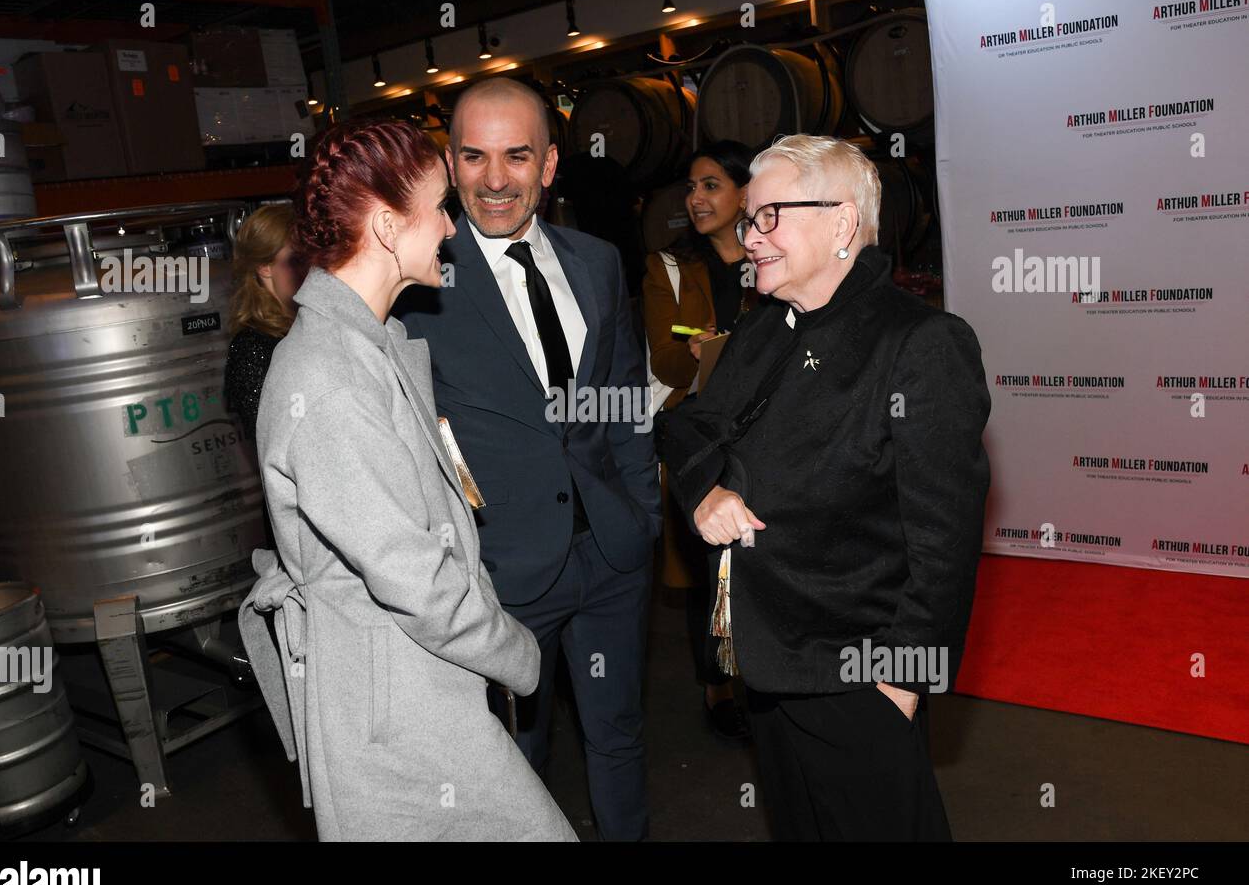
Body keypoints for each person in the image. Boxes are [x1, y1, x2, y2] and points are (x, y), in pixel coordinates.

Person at [237, 118, 576, 842]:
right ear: (389, 227)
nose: (452, 230)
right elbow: (411, 575)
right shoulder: (329, 378)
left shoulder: (371, 343)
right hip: (394, 708)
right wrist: (518, 651)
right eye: (440, 208)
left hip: (417, 684)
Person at [663, 134, 991, 841]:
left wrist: (899, 687)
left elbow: (946, 539)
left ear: (842, 223)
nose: (750, 237)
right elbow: (691, 428)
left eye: (767, 216)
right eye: (749, 218)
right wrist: (704, 492)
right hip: (768, 663)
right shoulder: (765, 330)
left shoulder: (922, 343)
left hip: (856, 677)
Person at [394, 78, 661, 841]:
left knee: (619, 736)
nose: (495, 178)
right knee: (511, 760)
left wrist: (642, 515)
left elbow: (622, 401)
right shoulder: (421, 282)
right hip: (502, 575)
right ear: (450, 163)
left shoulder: (598, 262)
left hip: (611, 552)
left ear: (549, 165)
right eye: (474, 156)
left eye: (517, 156)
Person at [642, 140, 760, 743]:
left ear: (746, 192)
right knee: (709, 568)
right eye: (692, 187)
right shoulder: (669, 267)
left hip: (768, 431)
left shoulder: (774, 255)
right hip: (700, 434)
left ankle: (772, 674)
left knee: (765, 561)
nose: (696, 198)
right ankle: (718, 687)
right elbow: (663, 358)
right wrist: (695, 350)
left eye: (712, 185)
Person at [223, 202, 302, 441]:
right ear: (265, 267)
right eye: (297, 259)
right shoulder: (252, 348)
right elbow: (277, 442)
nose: (312, 268)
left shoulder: (308, 326)